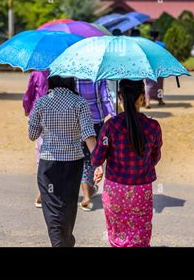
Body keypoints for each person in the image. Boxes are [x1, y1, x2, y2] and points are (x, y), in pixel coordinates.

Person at [91, 79, 162, 247]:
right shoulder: (153, 126)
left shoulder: (110, 126)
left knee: (118, 238)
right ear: (142, 98)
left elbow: (96, 159)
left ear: (120, 97)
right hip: (142, 189)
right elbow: (155, 157)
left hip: (115, 190)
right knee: (140, 238)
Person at [29, 76, 97, 247]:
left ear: (51, 81)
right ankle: (66, 241)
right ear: (71, 81)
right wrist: (98, 162)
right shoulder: (80, 103)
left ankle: (61, 243)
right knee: (68, 206)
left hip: (48, 164)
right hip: (73, 164)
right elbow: (88, 134)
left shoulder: (41, 103)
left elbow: (32, 135)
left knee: (52, 209)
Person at [76, 79, 115, 211]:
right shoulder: (99, 77)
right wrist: (115, 116)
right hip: (97, 122)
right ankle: (87, 194)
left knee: (82, 158)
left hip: (77, 121)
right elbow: (106, 98)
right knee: (92, 157)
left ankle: (88, 190)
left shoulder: (74, 76)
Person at [23, 70, 49, 208]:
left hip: (37, 115)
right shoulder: (59, 71)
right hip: (55, 115)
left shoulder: (36, 73)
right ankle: (50, 189)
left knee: (40, 153)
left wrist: (27, 109)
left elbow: (29, 93)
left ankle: (42, 190)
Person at [145, 31, 165, 108]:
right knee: (160, 85)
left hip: (149, 66)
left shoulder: (146, 44)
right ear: (158, 36)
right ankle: (160, 100)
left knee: (148, 85)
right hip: (159, 67)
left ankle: (148, 102)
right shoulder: (162, 45)